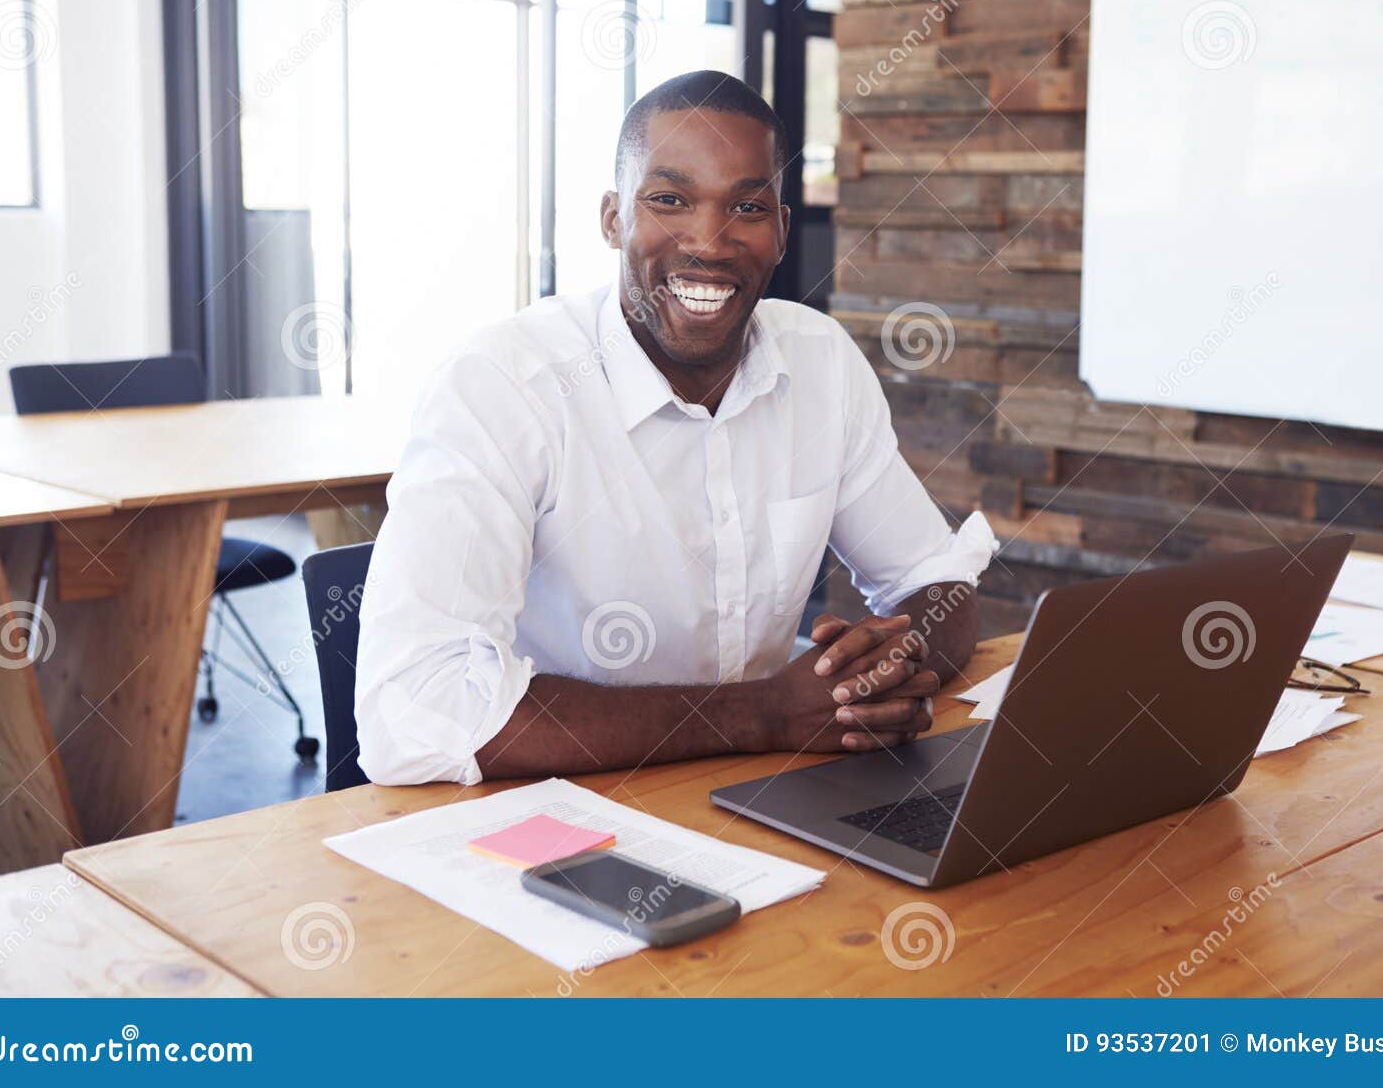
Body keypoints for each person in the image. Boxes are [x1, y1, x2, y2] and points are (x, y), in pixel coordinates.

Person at [355, 69, 997, 785]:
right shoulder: (503, 384)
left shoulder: (821, 364)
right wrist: (760, 715)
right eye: (669, 199)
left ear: (783, 232)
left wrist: (877, 675)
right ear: (612, 219)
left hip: (749, 798)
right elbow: (410, 711)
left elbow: (936, 582)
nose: (710, 241)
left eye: (747, 206)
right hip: (544, 816)